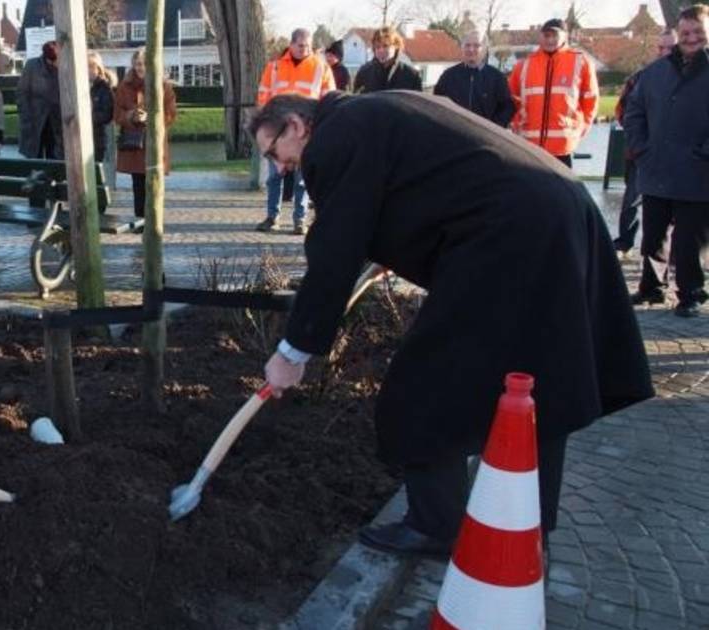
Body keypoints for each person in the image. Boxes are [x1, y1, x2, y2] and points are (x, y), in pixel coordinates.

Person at [251, 92, 653, 557]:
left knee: (421, 382)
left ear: (298, 125)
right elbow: (410, 188)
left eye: (272, 151)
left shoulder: (333, 139)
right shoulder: (373, 109)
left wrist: (294, 352)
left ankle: (435, 525)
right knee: (535, 376)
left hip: (511, 232)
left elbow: (334, 251)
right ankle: (527, 528)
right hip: (555, 208)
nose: (278, 167)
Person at [623, 5, 709, 318]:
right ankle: (651, 287)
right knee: (653, 234)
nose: (691, 38)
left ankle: (691, 293)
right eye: (686, 33)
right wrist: (640, 146)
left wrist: (703, 152)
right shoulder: (655, 73)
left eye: (698, 32)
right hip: (656, 167)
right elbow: (634, 111)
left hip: (698, 173)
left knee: (689, 240)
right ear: (677, 33)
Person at [254, 28, 335, 235]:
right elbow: (263, 97)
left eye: (308, 45)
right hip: (279, 132)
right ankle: (273, 217)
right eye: (301, 45)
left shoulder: (320, 67)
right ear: (291, 44)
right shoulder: (274, 68)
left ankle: (300, 220)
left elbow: (329, 99)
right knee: (274, 177)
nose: (305, 49)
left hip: (306, 133)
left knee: (302, 178)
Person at [613, 28, 677, 258]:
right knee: (633, 200)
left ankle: (675, 253)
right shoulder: (641, 77)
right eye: (660, 47)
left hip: (677, 154)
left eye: (669, 47)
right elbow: (623, 111)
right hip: (641, 153)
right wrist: (641, 143)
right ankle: (625, 243)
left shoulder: (692, 80)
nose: (664, 52)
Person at [508, 18, 598, 168]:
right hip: (529, 144)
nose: (550, 40)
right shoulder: (524, 65)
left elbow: (590, 100)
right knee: (530, 190)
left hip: (562, 146)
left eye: (554, 35)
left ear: (565, 36)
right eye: (546, 35)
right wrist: (516, 124)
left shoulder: (581, 62)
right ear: (540, 37)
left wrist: (581, 128)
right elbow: (511, 99)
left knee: (560, 190)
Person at [115, 48, 177, 226]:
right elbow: (117, 114)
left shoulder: (163, 86)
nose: (140, 68)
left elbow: (171, 114)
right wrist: (132, 116)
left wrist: (151, 117)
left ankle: (153, 221)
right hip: (135, 144)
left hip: (154, 142)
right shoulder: (124, 87)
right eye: (137, 64)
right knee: (138, 184)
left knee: (154, 184)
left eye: (143, 64)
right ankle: (140, 220)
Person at [432, 30, 513, 127]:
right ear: (462, 48)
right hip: (454, 135)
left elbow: (506, 108)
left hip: (484, 139)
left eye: (476, 46)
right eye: (467, 45)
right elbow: (437, 105)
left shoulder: (497, 78)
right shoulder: (448, 76)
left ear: (485, 49)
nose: (471, 49)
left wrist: (493, 128)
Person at [17, 40, 63, 159]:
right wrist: (26, 117)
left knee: (55, 157)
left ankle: (53, 177)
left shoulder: (63, 67)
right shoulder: (32, 66)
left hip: (56, 120)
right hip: (35, 119)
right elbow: (22, 93)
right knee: (34, 157)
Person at [353, 27, 423, 93]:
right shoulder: (364, 72)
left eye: (385, 46)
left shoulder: (411, 76)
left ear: (396, 46)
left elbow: (417, 104)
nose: (381, 50)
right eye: (377, 47)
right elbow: (356, 101)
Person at [88, 51, 117, 163]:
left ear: (98, 68)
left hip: (99, 138)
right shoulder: (81, 86)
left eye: (91, 66)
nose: (87, 70)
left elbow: (107, 115)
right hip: (83, 138)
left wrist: (87, 117)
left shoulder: (105, 87)